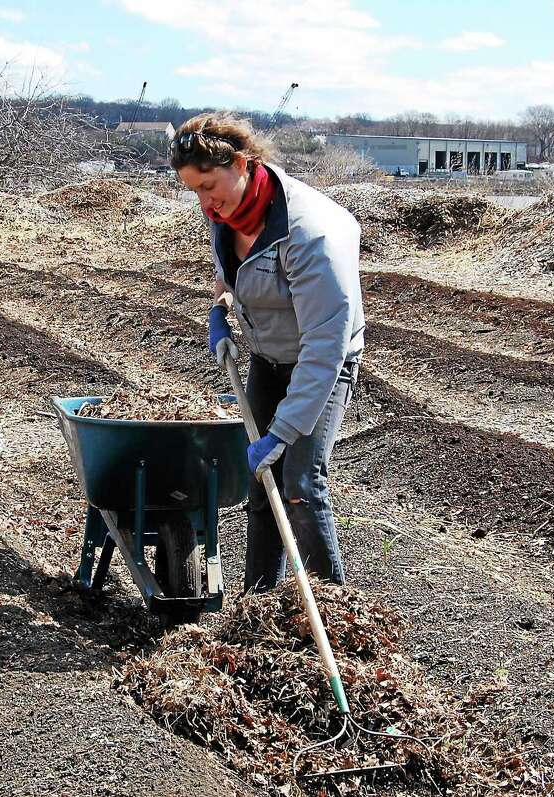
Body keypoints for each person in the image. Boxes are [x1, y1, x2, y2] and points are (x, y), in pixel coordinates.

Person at [170, 112, 364, 592]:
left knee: (299, 485)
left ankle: (333, 611)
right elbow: (229, 274)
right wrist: (220, 311)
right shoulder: (226, 213)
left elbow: (324, 346)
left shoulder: (310, 234)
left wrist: (284, 430)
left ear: (241, 162)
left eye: (209, 185)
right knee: (261, 482)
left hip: (322, 360)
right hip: (269, 358)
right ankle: (259, 602)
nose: (204, 202)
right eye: (194, 190)